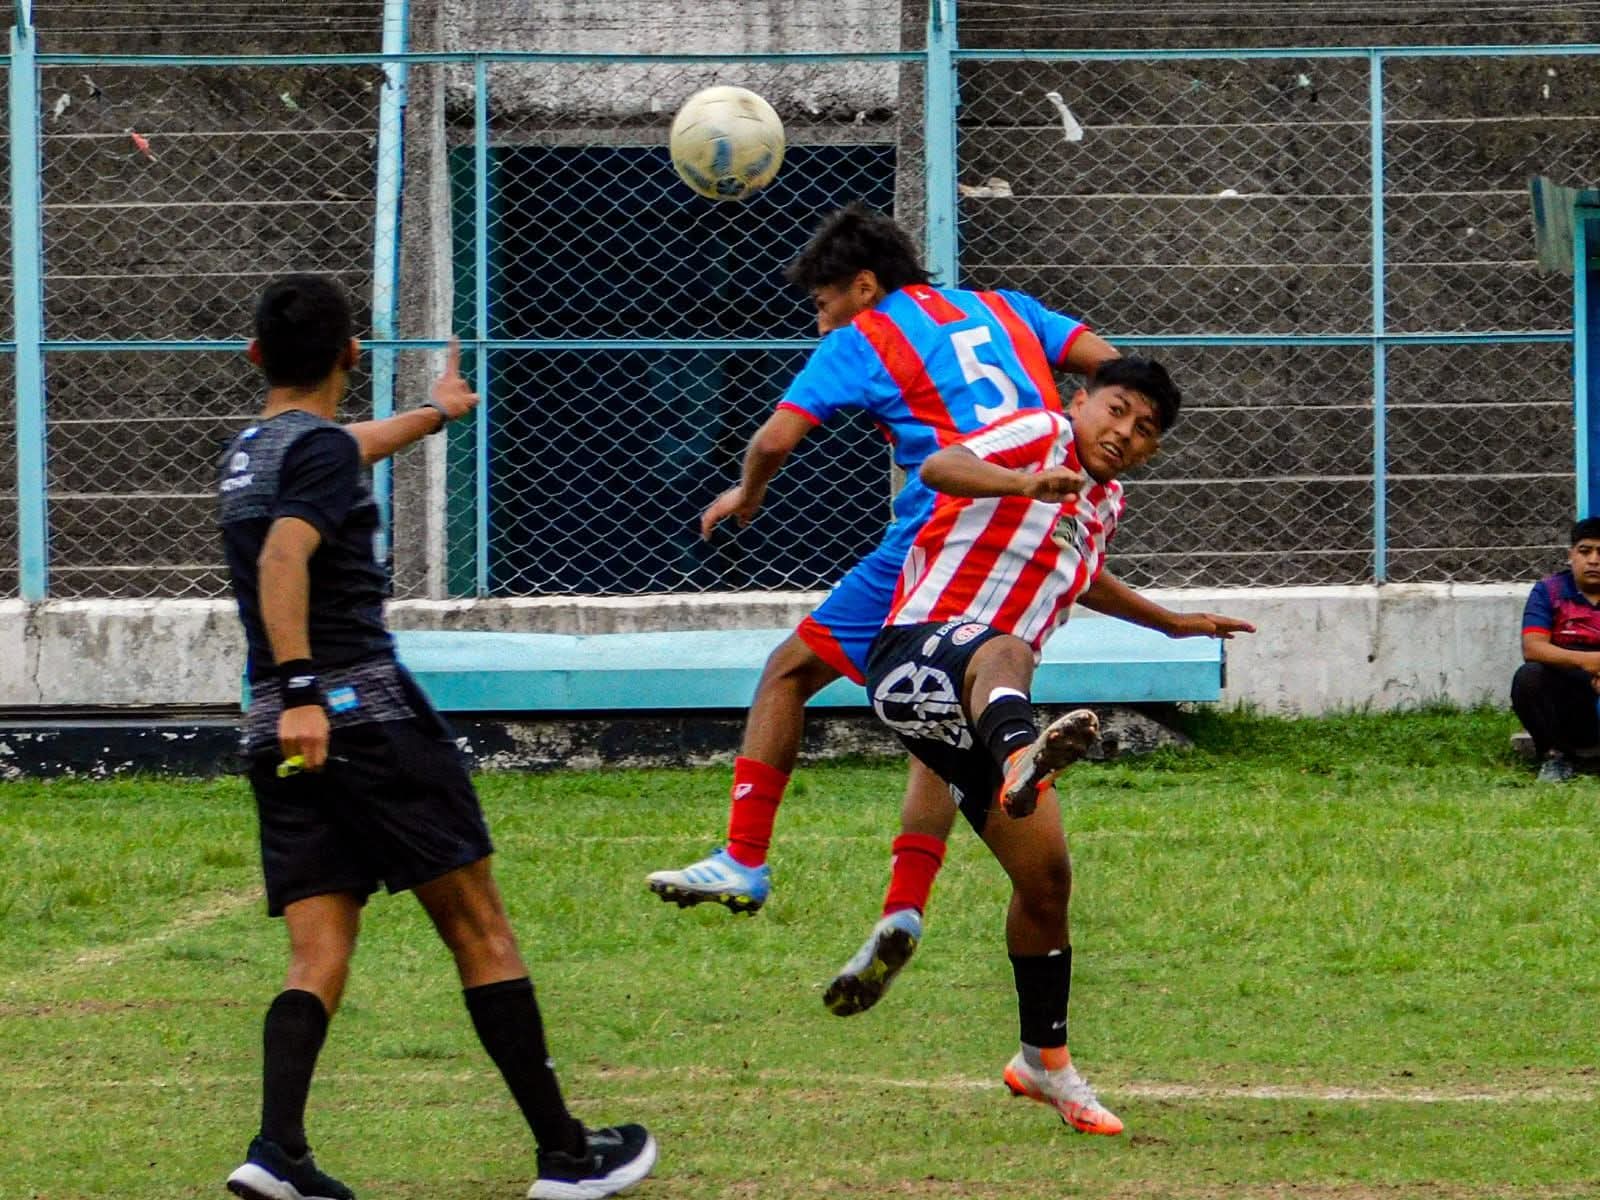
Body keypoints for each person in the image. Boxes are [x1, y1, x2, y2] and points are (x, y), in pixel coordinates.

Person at [218, 276, 655, 1200]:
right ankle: (567, 1157)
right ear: (351, 355)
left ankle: (278, 1154)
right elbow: (285, 554)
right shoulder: (321, 458)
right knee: (478, 926)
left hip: (277, 732)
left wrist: (431, 415)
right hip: (358, 716)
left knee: (316, 952)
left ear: (255, 357)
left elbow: (338, 454)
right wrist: (307, 689)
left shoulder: (254, 451)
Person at [646, 203, 1119, 916]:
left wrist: (747, 492)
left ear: (864, 287)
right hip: (1030, 531)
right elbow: (1111, 366)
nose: (820, 321)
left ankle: (743, 858)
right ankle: (904, 909)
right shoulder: (1005, 307)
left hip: (944, 529)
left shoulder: (867, 334)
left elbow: (775, 439)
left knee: (789, 670)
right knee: (938, 710)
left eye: (823, 301)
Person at [823, 359, 1254, 1136]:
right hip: (918, 652)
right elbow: (938, 464)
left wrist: (1174, 622)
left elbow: (1084, 578)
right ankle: (1021, 757)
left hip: (977, 703)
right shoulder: (1042, 434)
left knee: (1048, 882)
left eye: (1146, 430)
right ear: (1079, 401)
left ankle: (1042, 1064)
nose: (1124, 434)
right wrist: (1023, 483)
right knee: (1004, 649)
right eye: (1117, 411)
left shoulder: (1105, 502)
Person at [1512, 515, 1600, 783]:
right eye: (1585, 551)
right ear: (1571, 555)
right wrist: (1589, 662)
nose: (1594, 560)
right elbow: (1533, 648)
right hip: (1570, 689)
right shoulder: (1548, 591)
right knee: (1529, 677)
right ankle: (1557, 757)